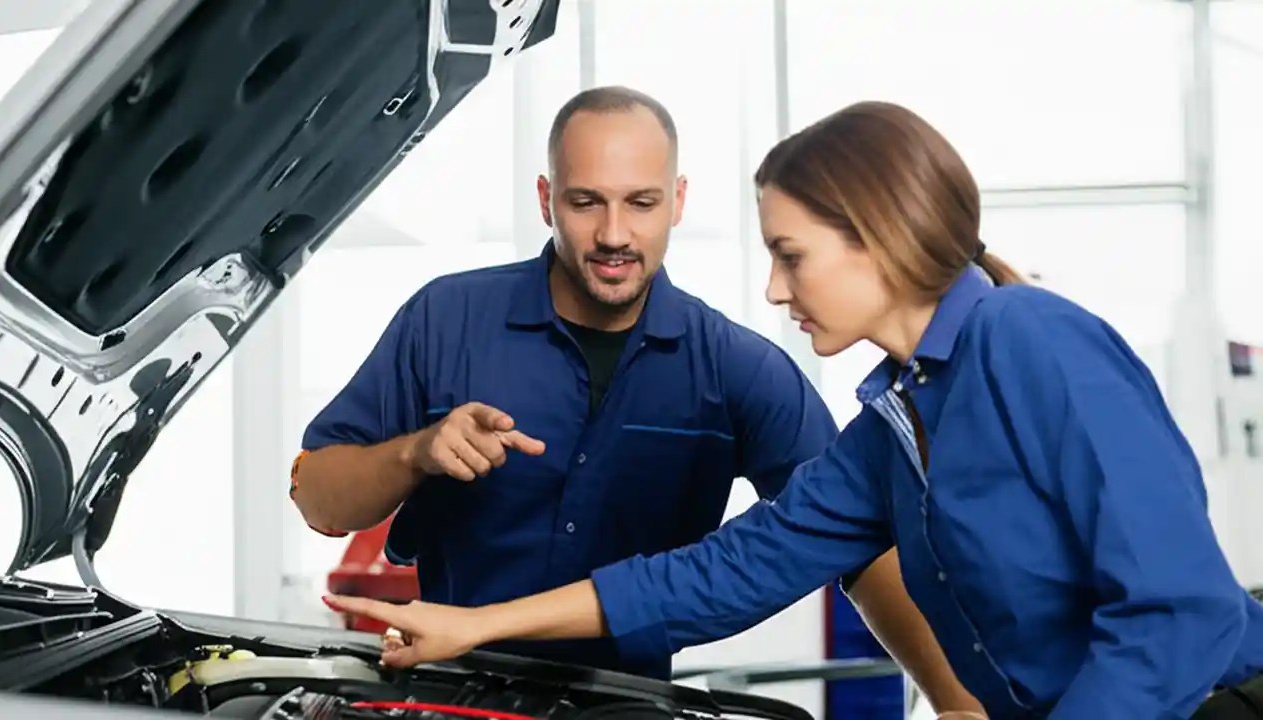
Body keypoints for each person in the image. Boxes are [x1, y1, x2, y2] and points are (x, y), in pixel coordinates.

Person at [323, 99, 1263, 719]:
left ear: (877, 239)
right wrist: (476, 625)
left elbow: (1184, 615)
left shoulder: (1033, 341)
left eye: (791, 253)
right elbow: (721, 572)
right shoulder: (894, 426)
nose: (773, 289)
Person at [293, 87, 981, 714]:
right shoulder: (444, 320)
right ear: (545, 198)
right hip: (452, 696)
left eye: (641, 203)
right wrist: (417, 451)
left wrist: (958, 702)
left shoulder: (740, 370)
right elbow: (319, 499)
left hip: (630, 707)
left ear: (677, 200)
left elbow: (855, 541)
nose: (615, 234)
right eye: (586, 201)